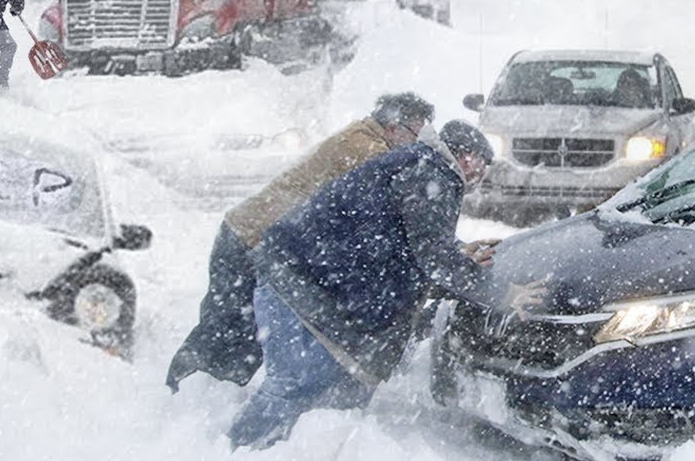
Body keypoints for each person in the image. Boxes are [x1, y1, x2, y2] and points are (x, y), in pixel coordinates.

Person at [227, 120, 546, 450]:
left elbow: (414, 240)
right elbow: (432, 256)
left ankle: (295, 450)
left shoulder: (419, 164)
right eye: (484, 164)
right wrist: (503, 293)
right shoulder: (433, 173)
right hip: (300, 285)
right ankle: (235, 451)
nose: (482, 175)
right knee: (297, 383)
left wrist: (459, 255)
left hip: (314, 283)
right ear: (466, 158)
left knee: (334, 392)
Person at [164, 92, 438, 391]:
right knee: (227, 330)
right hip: (248, 239)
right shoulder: (364, 148)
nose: (417, 144)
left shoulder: (365, 139)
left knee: (240, 332)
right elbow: (404, 204)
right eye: (416, 133)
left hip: (258, 239)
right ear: (393, 127)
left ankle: (198, 394)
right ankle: (184, 393)